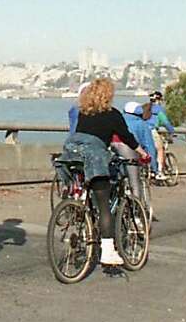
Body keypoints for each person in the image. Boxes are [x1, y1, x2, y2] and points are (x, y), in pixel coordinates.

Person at [61, 77, 148, 267]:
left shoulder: (84, 112)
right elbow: (126, 137)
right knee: (103, 205)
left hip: (72, 154)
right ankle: (108, 251)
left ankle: (80, 215)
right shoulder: (112, 114)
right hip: (95, 157)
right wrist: (141, 152)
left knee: (84, 187)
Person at [121, 101, 156, 200]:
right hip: (134, 154)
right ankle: (136, 204)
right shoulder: (142, 124)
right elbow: (149, 145)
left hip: (117, 153)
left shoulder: (118, 121)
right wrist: (154, 167)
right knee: (135, 182)